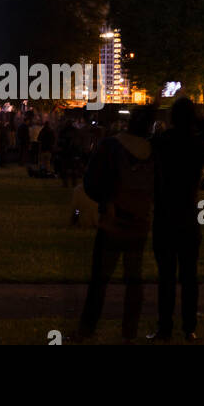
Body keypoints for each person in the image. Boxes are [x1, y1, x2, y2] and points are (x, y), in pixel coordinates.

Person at [74, 107, 156, 343]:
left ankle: (87, 329)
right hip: (139, 223)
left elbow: (90, 182)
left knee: (100, 279)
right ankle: (129, 332)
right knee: (134, 279)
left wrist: (106, 202)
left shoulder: (111, 146)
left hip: (111, 222)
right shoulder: (152, 152)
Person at [149, 97, 204, 342]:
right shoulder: (198, 145)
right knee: (189, 276)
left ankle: (165, 327)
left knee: (166, 277)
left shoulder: (163, 142)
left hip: (165, 214)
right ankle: (189, 327)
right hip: (188, 214)